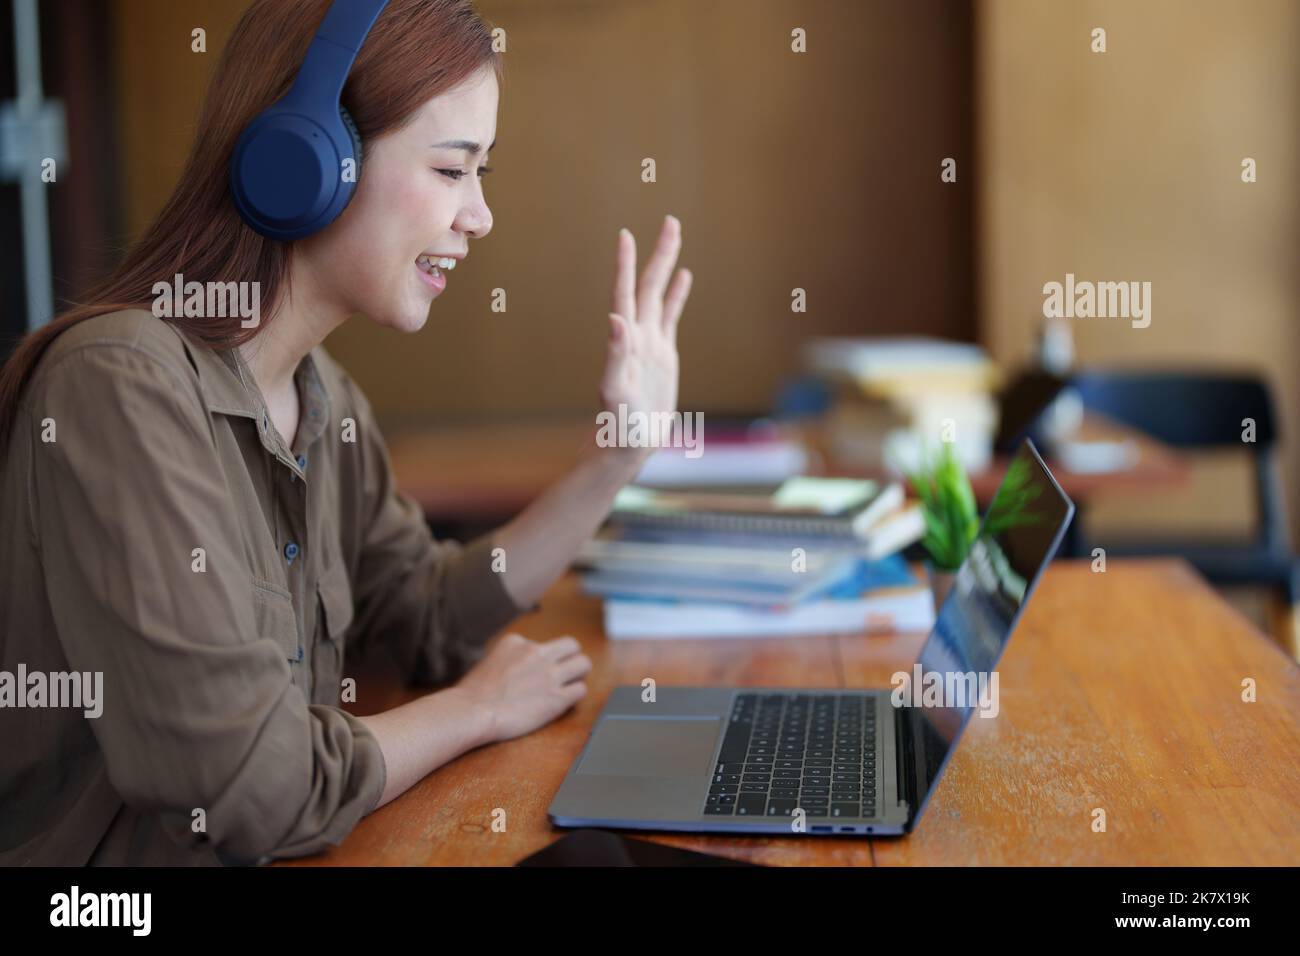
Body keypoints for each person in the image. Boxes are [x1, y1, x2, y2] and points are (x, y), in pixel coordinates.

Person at [0, 0, 693, 865]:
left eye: (484, 175)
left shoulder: (324, 398)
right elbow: (248, 788)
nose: (479, 216)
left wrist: (616, 459)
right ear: (306, 161)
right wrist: (476, 710)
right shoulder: (119, 385)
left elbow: (427, 614)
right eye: (451, 170)